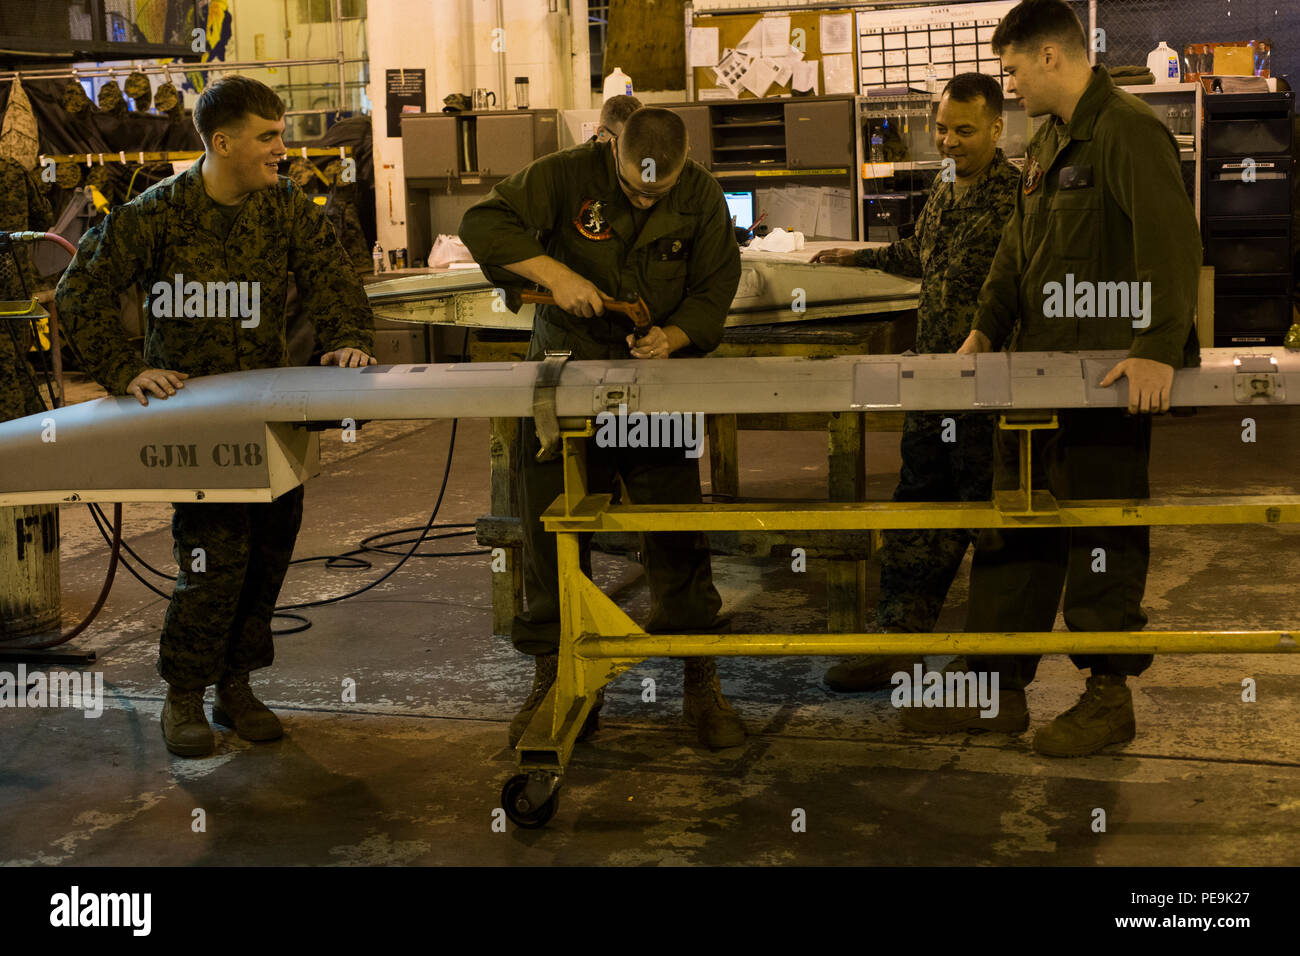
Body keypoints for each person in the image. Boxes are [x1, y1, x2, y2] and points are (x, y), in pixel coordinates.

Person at [906, 0, 1201, 755]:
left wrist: (1160, 348)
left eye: (1011, 71)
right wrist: (984, 326)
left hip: (1105, 382)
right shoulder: (1047, 142)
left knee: (1104, 535)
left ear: (1048, 57)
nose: (1010, 87)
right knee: (1018, 532)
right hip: (1034, 379)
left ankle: (1108, 696)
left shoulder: (1129, 133)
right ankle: (993, 691)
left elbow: (1170, 244)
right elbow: (1017, 248)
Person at [55, 76, 376, 758]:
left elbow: (334, 281)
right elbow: (78, 290)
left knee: (270, 549)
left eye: (279, 135)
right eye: (268, 137)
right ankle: (183, 694)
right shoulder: (156, 214)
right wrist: (124, 370)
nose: (281, 150)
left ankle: (237, 686)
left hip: (268, 417)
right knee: (212, 559)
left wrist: (349, 337)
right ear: (223, 143)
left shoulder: (284, 208)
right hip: (198, 425)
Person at [459, 107, 745, 750]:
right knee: (551, 531)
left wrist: (674, 335)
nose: (645, 197)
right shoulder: (564, 175)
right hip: (565, 381)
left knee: (675, 528)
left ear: (682, 164)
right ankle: (559, 676)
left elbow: (717, 281)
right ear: (613, 146)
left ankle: (699, 678)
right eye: (634, 186)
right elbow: (482, 223)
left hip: (654, 386)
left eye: (657, 190)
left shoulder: (700, 192)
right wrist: (555, 274)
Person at [810, 73, 1019, 692]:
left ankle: (993, 665)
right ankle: (898, 641)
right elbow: (915, 254)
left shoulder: (1017, 197)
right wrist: (856, 257)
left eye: (964, 130)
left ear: (998, 128)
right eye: (943, 128)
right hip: (930, 381)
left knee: (991, 518)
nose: (948, 141)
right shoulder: (945, 187)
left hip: (987, 386)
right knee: (917, 504)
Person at [0, 158, 53, 424]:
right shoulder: (12, 169)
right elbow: (44, 217)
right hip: (14, 281)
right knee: (17, 357)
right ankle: (33, 431)